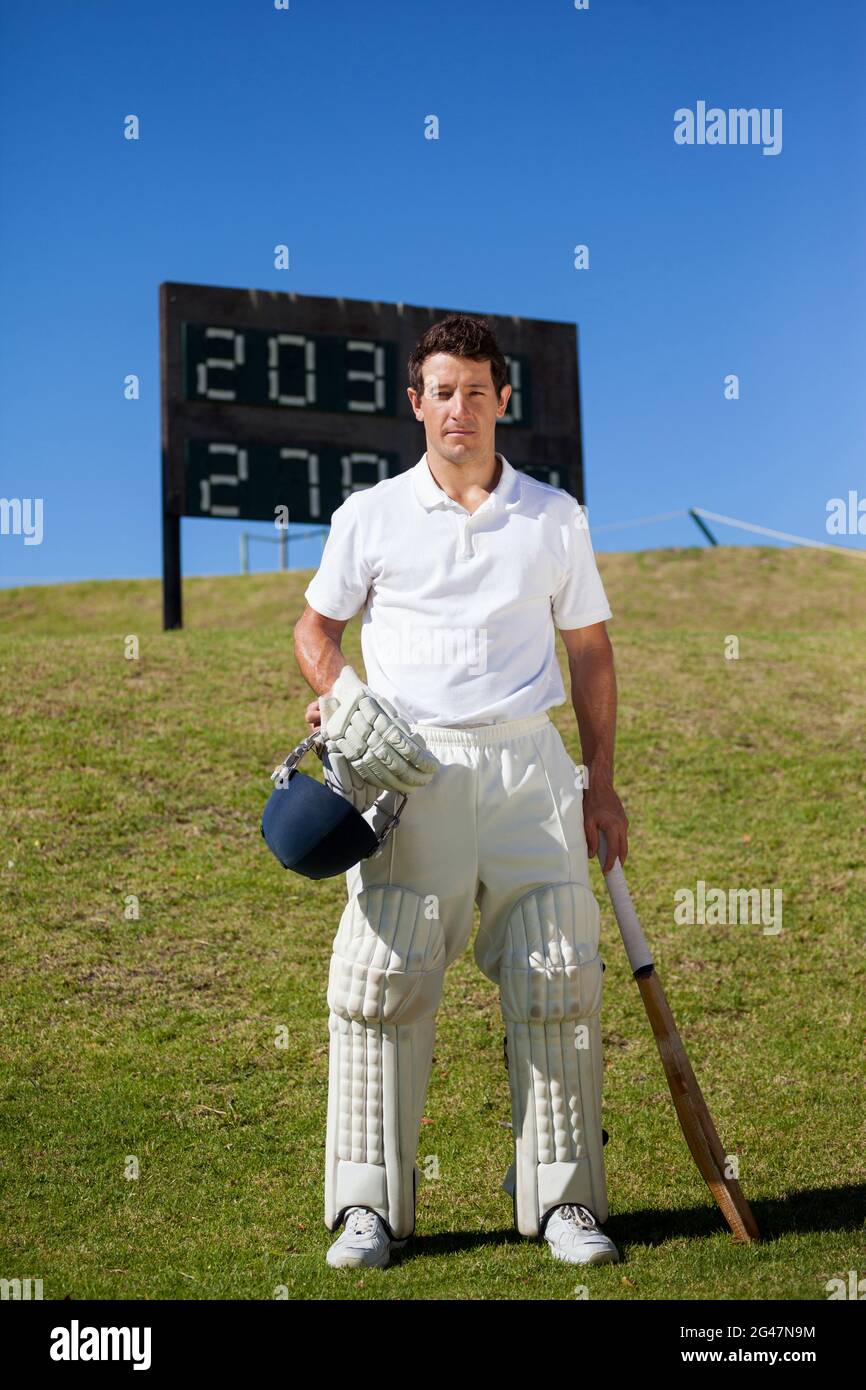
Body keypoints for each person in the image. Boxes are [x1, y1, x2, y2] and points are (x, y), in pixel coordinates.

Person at [292, 313, 629, 1270]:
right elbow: (315, 633)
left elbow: (591, 653)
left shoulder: (555, 517)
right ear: (417, 403)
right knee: (382, 985)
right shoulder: (370, 516)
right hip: (411, 774)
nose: (460, 409)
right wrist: (342, 697)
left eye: (477, 392)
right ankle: (370, 1214)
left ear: (502, 403)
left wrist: (601, 786)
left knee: (557, 974)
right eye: (443, 391)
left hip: (530, 766)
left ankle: (565, 1206)